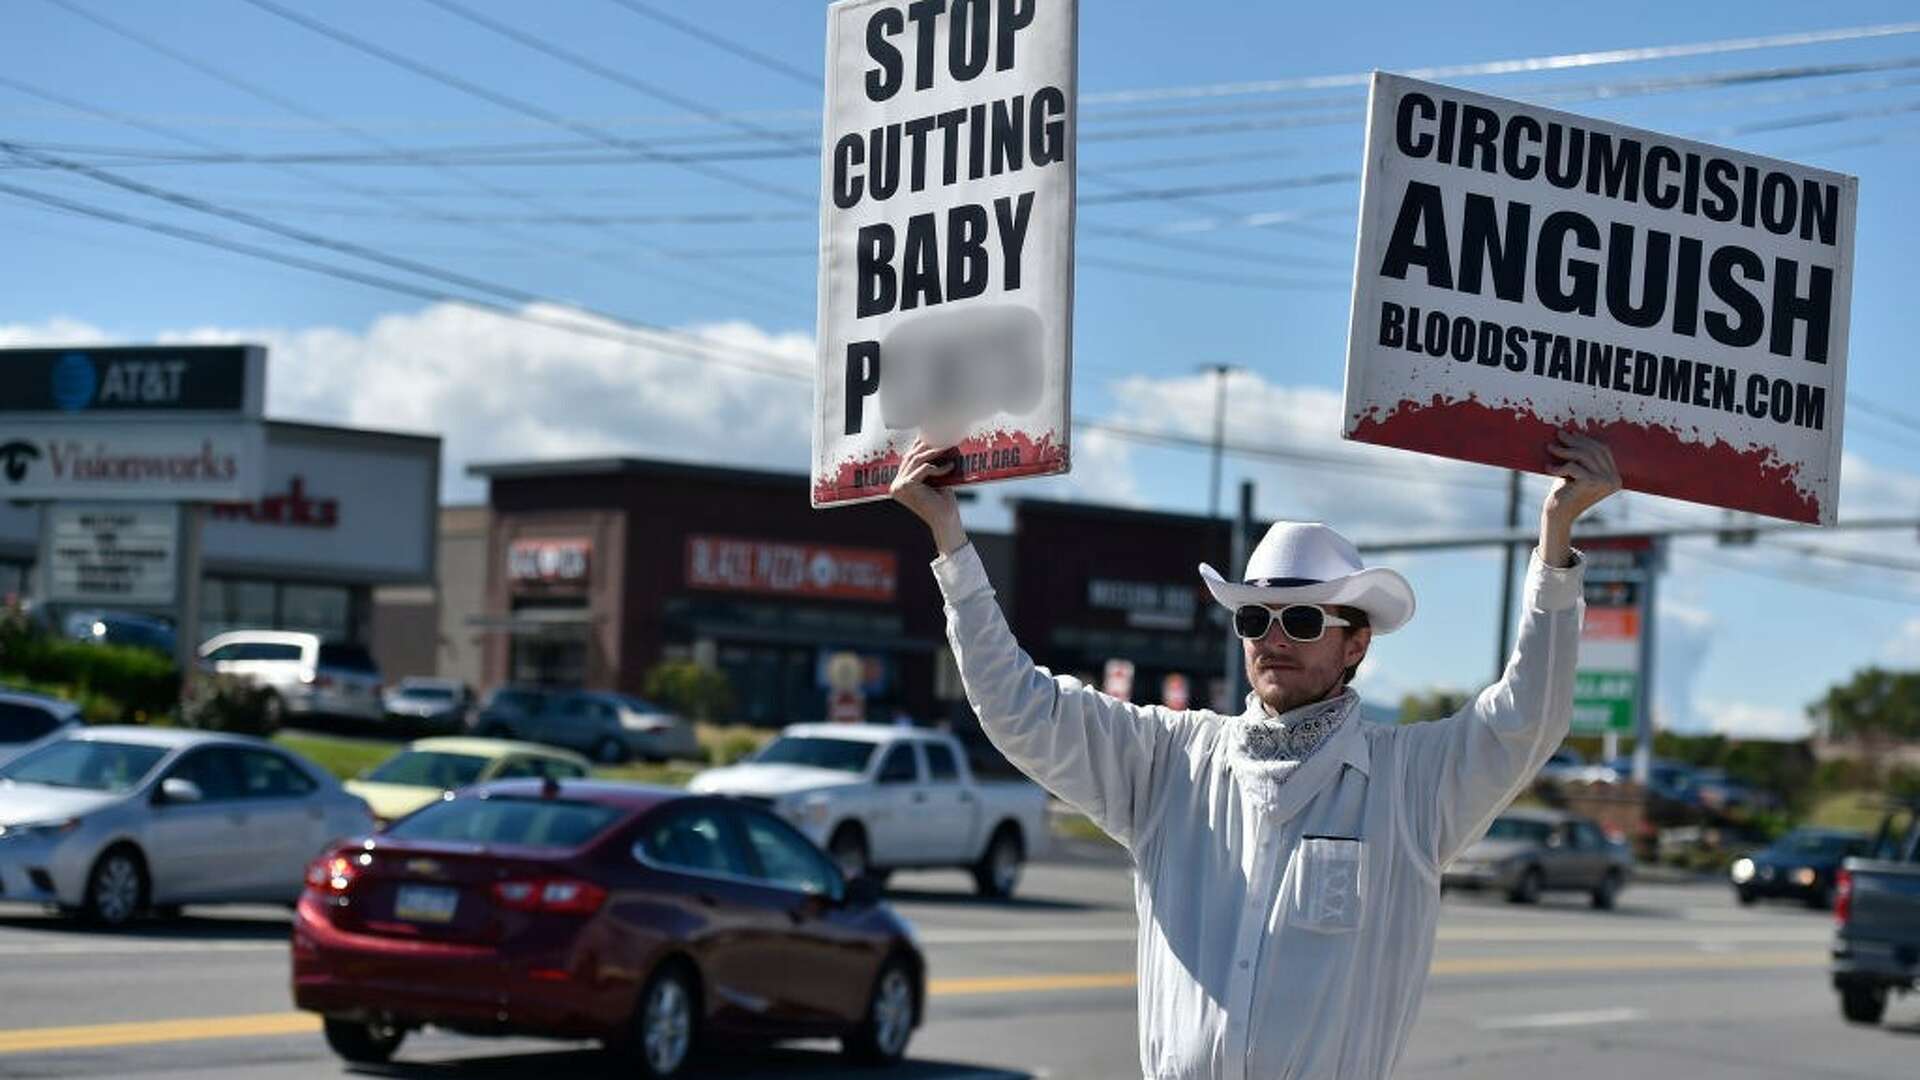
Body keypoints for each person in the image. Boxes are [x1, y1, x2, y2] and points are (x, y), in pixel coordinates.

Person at [890, 431, 1621, 1080]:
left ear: (1356, 643)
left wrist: (1556, 538)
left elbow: (1528, 718)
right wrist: (950, 541)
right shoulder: (1171, 759)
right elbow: (1019, 707)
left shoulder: (1411, 782)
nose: (1273, 637)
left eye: (1302, 619)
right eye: (1254, 617)